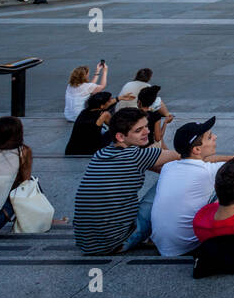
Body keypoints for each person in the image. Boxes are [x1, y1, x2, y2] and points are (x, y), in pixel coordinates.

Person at [72, 108, 180, 255]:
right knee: (175, 177)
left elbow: (152, 167)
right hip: (117, 243)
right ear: (121, 137)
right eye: (138, 130)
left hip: (88, 243)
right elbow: (185, 155)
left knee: (170, 174)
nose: (147, 132)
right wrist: (222, 162)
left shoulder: (101, 154)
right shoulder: (135, 155)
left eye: (146, 127)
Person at [150, 118, 234, 256]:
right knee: (232, 187)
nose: (215, 137)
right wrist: (231, 157)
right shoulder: (210, 171)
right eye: (209, 137)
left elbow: (199, 160)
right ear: (197, 149)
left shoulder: (168, 167)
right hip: (189, 246)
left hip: (163, 246)